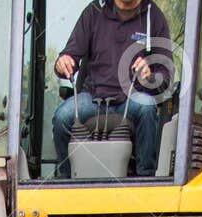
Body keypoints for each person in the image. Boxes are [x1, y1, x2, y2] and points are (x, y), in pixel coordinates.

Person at [53, 0, 175, 179]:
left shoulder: (153, 16)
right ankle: (65, 181)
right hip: (93, 97)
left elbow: (165, 77)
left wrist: (148, 75)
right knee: (62, 117)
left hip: (131, 98)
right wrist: (62, 62)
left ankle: (146, 180)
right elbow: (69, 56)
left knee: (148, 107)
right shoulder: (94, 11)